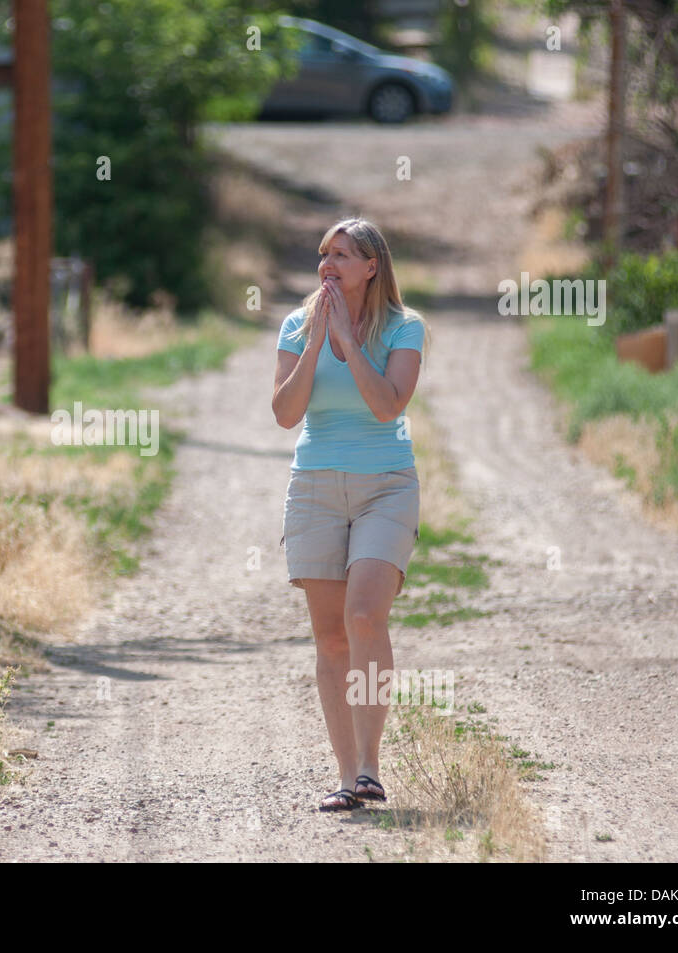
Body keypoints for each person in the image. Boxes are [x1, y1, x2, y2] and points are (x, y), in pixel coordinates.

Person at [271, 217, 430, 812]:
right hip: (314, 487)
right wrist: (317, 340)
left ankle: (370, 765)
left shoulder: (404, 327)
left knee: (365, 614)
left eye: (343, 254)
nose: (328, 264)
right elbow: (285, 413)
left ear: (372, 267)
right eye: (324, 254)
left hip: (385, 486)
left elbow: (388, 405)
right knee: (331, 636)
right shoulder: (295, 324)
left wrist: (350, 338)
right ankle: (345, 778)